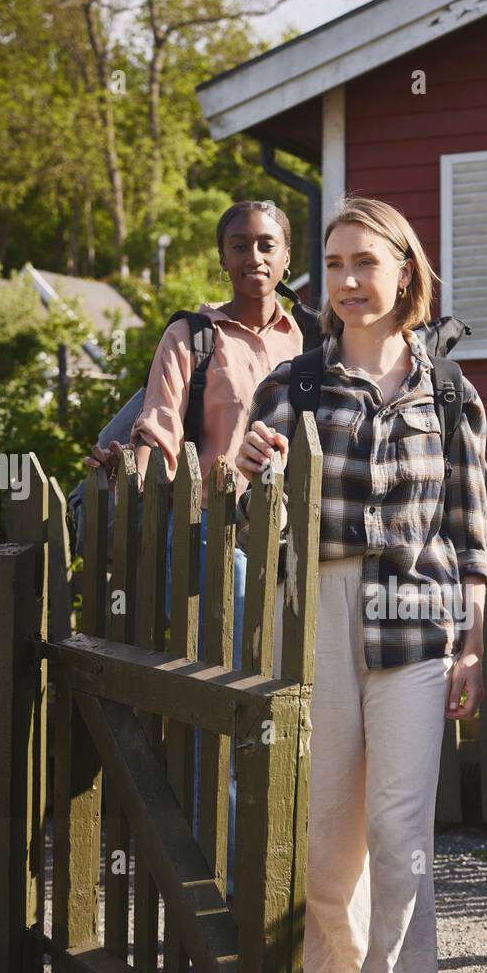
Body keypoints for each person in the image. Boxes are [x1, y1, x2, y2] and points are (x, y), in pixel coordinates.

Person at [236, 195, 487, 973]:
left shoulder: (449, 392)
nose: (346, 282)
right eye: (334, 266)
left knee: (403, 846)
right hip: (320, 609)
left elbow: (471, 536)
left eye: (363, 264)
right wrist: (247, 468)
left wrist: (471, 643)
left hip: (419, 622)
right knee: (328, 845)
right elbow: (244, 519)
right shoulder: (293, 386)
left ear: (403, 273)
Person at [85, 200, 303, 887]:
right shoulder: (193, 336)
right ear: (222, 256)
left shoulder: (310, 345)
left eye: (267, 244)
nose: (253, 258)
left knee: (293, 702)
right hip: (216, 540)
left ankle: (286, 870)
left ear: (287, 256)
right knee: (230, 704)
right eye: (239, 245)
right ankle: (231, 877)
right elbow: (155, 428)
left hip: (294, 541)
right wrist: (129, 480)